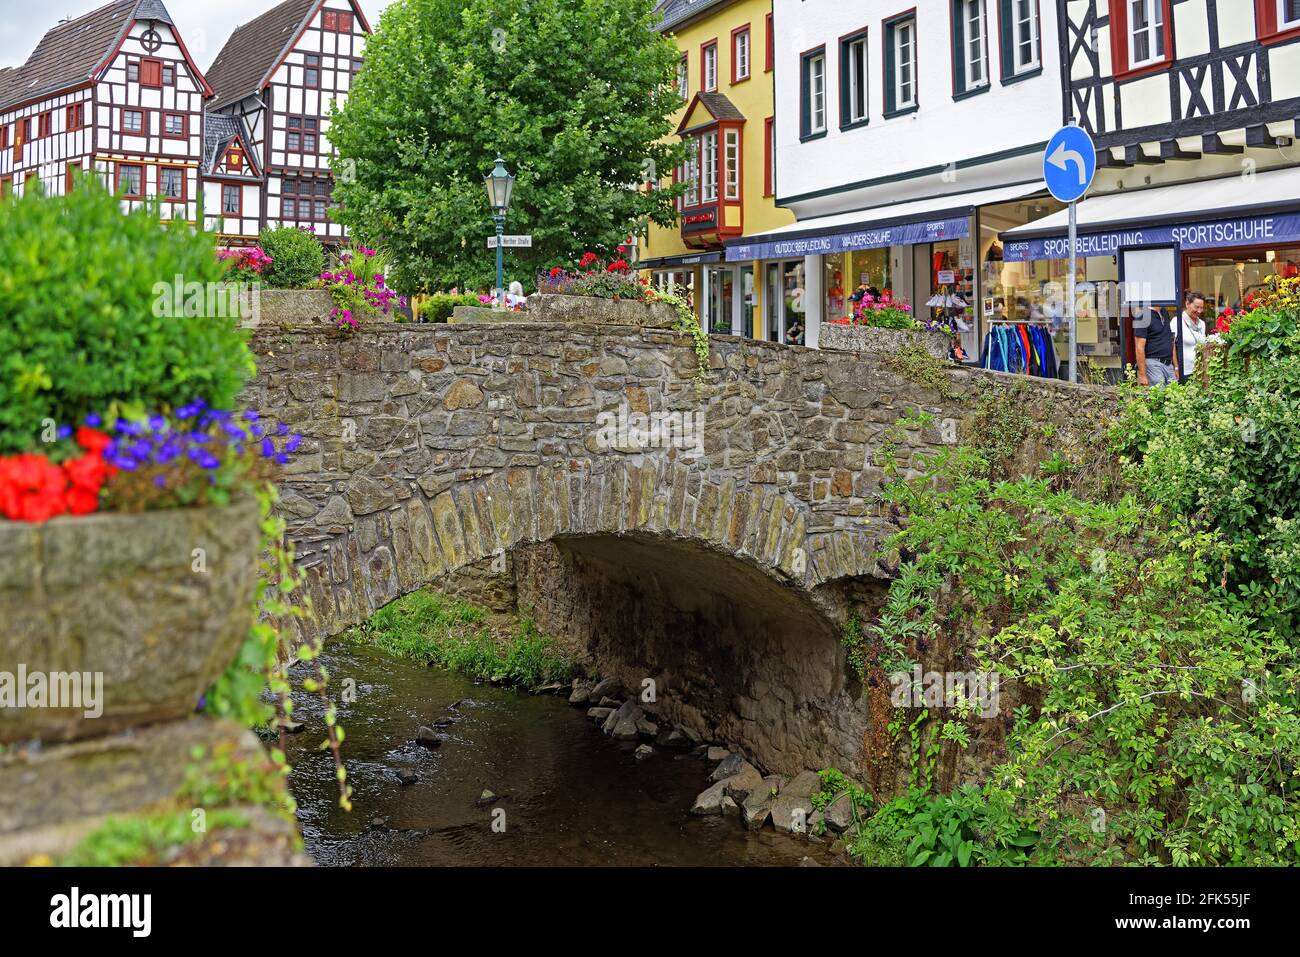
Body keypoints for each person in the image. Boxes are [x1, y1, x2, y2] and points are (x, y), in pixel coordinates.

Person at [1133, 302, 1179, 387]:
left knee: (1174, 396)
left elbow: (1170, 340)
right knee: (1159, 396)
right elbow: (1139, 348)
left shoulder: (1164, 312)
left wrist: (1176, 367)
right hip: (1153, 363)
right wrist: (1143, 375)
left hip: (1168, 364)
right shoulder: (1142, 316)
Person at [1179, 290, 1208, 377]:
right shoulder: (1177, 322)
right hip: (1184, 371)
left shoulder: (1202, 324)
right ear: (1187, 304)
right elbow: (1171, 347)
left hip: (1200, 370)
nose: (1199, 311)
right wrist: (1176, 368)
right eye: (1196, 307)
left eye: (1201, 308)